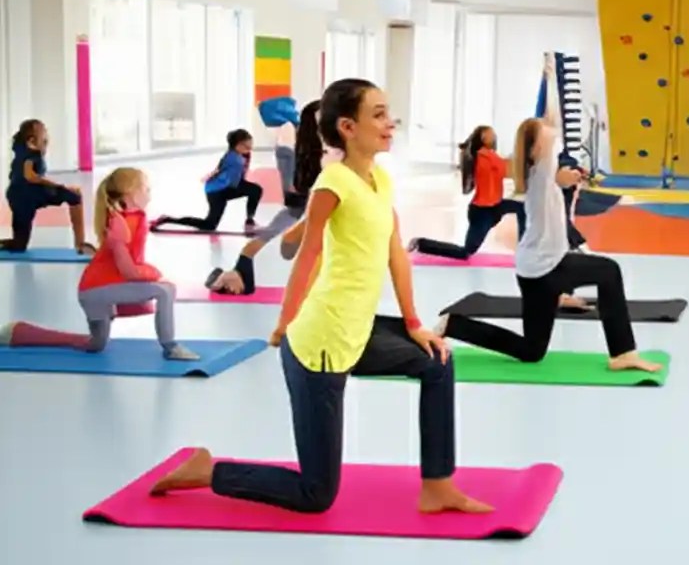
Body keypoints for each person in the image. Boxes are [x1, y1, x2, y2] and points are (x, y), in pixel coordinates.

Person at [150, 78, 490, 516]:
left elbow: (395, 254)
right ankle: (207, 471)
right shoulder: (332, 182)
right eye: (379, 115)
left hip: (357, 332)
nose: (390, 123)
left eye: (390, 114)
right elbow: (306, 255)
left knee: (438, 361)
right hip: (320, 345)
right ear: (348, 127)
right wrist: (283, 323)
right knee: (316, 495)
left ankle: (438, 487)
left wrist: (412, 322)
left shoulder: (379, 179)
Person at [432, 95, 662, 373]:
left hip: (534, 271)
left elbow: (555, 152)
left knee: (532, 351)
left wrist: (567, 177)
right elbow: (554, 120)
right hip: (546, 269)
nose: (552, 132)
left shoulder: (544, 175)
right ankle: (623, 352)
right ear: (537, 148)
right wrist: (551, 74)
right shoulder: (540, 174)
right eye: (546, 133)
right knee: (609, 271)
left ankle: (454, 325)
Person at [1, 167, 198, 359]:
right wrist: (153, 273)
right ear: (130, 193)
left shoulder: (134, 219)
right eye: (146, 189)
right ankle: (170, 347)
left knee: (95, 344)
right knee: (164, 290)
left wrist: (149, 276)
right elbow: (129, 272)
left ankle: (18, 333)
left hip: (106, 287)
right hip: (96, 290)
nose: (150, 194)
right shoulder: (120, 225)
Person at [205, 101, 339, 295]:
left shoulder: (320, 151)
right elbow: (294, 192)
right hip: (297, 214)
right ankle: (230, 275)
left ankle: (232, 274)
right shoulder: (295, 147)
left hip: (297, 215)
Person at [407, 125, 527, 260]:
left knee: (522, 207)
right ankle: (421, 243)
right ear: (482, 138)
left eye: (493, 134)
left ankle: (524, 250)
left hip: (496, 206)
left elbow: (507, 169)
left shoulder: (492, 156)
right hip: (482, 212)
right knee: (465, 253)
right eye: (489, 134)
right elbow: (508, 168)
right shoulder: (481, 156)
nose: (493, 136)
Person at [1, 119, 94, 255]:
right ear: (31, 141)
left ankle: (80, 244)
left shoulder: (23, 151)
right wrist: (55, 185)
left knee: (74, 196)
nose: (46, 137)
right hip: (25, 197)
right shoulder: (31, 154)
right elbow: (29, 176)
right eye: (43, 135)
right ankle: (80, 245)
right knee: (19, 244)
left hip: (22, 194)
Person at [151, 129, 262, 233]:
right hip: (217, 191)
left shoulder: (239, 155)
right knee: (255, 190)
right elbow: (234, 182)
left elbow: (231, 176)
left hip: (220, 189)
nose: (250, 148)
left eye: (250, 145)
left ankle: (167, 219)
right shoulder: (234, 158)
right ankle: (168, 220)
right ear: (237, 145)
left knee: (209, 225)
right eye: (247, 146)